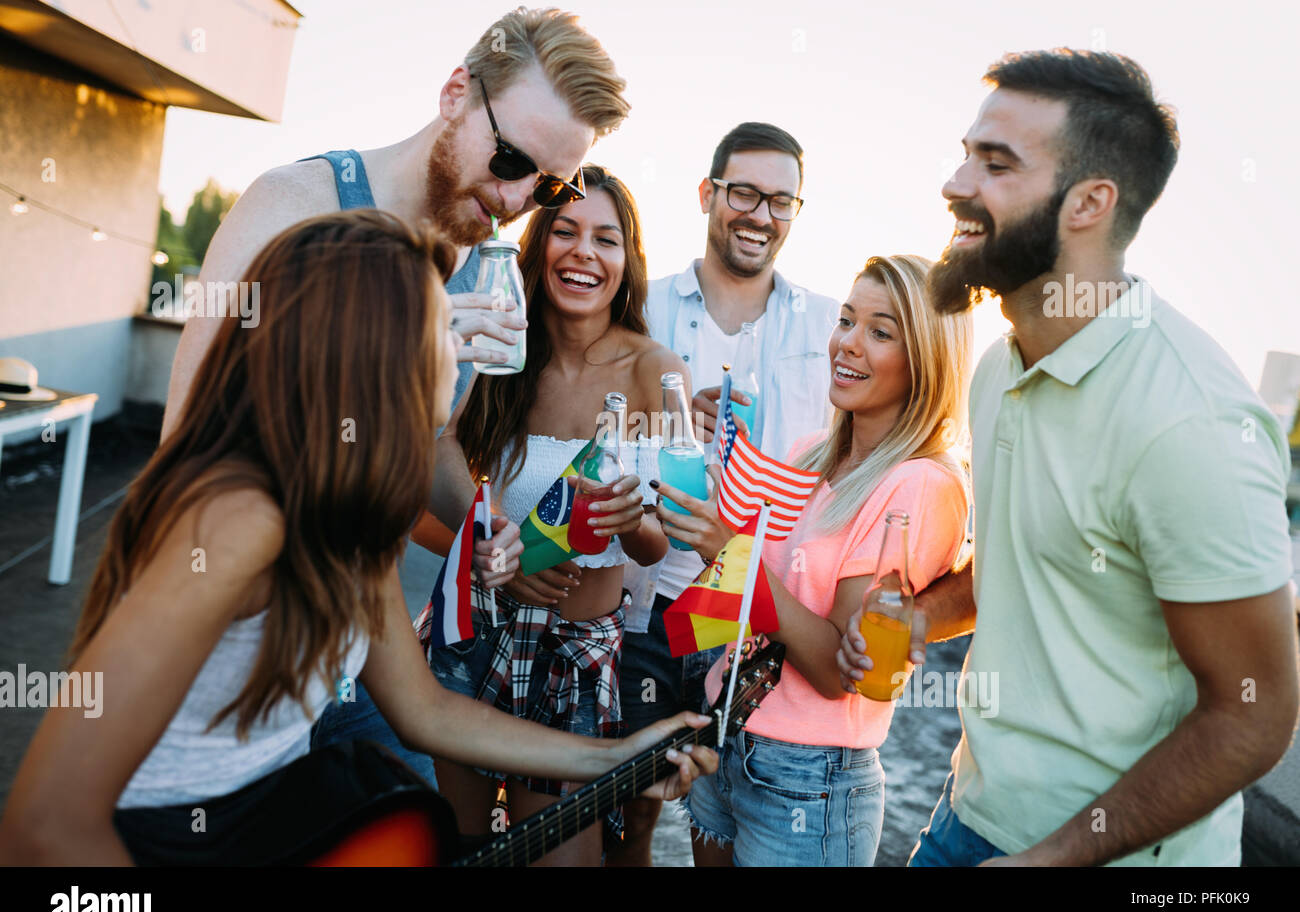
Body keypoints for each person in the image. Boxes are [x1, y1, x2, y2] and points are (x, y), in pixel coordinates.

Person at [0, 209, 716, 866]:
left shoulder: (351, 512)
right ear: (373, 349)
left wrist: (617, 756)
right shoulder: (240, 521)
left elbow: (424, 709)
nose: (460, 353)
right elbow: (44, 826)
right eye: (444, 330)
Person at [838, 49, 1298, 866]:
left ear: (1089, 202)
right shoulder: (1000, 363)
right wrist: (919, 617)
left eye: (996, 163)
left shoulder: (1190, 424)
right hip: (964, 818)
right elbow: (1024, 561)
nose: (954, 184)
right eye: (966, 153)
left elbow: (1255, 713)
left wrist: (1053, 857)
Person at [160, 7, 633, 784]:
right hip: (228, 663)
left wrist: (484, 526)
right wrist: (398, 362)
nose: (517, 200)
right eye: (510, 157)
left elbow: (431, 439)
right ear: (454, 93)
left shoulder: (477, 262)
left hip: (358, 652)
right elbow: (191, 445)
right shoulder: (295, 207)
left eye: (547, 185)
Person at [655, 254, 972, 866]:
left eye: (880, 332)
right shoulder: (805, 457)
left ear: (926, 362)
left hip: (806, 779)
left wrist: (729, 551)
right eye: (847, 321)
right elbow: (740, 599)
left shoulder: (921, 486)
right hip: (725, 733)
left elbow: (833, 668)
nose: (847, 344)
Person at [428, 165, 685, 866]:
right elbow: (437, 443)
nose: (583, 253)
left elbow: (657, 547)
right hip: (474, 626)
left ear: (627, 261)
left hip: (575, 657)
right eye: (565, 231)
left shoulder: (653, 370)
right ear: (539, 244)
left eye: (606, 239)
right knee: (463, 849)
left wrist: (632, 519)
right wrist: (491, 547)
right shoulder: (504, 340)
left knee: (561, 859)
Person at [608, 122, 839, 866]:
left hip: (750, 617)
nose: (761, 215)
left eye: (782, 200)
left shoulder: (832, 325)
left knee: (723, 819)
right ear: (708, 194)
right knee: (631, 814)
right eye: (744, 192)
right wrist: (661, 416)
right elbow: (592, 417)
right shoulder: (636, 304)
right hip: (644, 605)